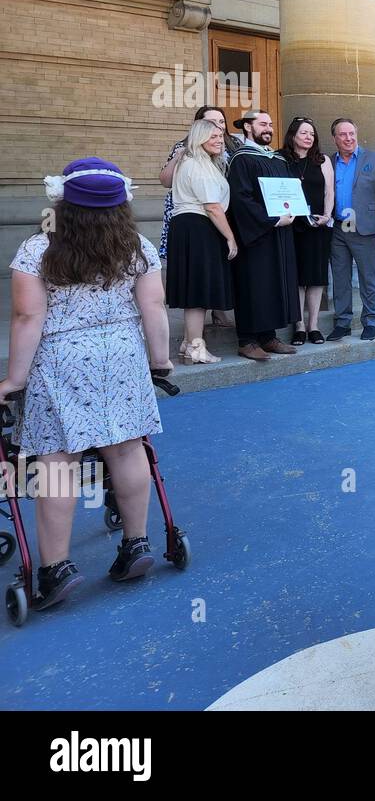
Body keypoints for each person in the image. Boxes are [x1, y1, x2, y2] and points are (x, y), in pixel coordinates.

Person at [0, 159, 172, 608]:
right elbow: (154, 307)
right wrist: (160, 359)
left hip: (62, 357)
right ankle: (136, 543)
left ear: (63, 201)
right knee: (128, 448)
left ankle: (56, 570)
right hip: (122, 353)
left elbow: (27, 317)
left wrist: (14, 378)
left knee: (58, 460)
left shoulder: (37, 250)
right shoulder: (138, 246)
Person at [226, 111, 300, 360]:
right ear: (248, 127)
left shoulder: (277, 158)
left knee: (274, 282)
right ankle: (247, 340)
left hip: (280, 232)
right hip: (256, 234)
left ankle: (268, 337)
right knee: (253, 283)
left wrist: (294, 210)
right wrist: (271, 220)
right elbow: (241, 198)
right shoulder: (241, 159)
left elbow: (290, 191)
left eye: (270, 124)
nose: (268, 128)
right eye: (262, 124)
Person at [166, 119, 235, 364]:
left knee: (195, 289)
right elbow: (213, 207)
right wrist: (230, 237)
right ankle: (196, 347)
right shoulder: (197, 164)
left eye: (220, 136)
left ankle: (189, 343)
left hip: (188, 228)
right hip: (198, 227)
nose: (219, 140)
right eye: (213, 136)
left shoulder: (195, 161)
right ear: (199, 138)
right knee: (197, 291)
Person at [327, 118, 375, 342]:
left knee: (368, 277)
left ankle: (371, 321)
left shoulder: (374, 159)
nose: (348, 138)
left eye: (351, 134)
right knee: (340, 278)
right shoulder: (328, 161)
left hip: (364, 227)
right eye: (343, 135)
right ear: (335, 138)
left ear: (357, 134)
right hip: (338, 228)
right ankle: (343, 322)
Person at [158, 105, 239, 262]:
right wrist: (178, 158)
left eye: (221, 121)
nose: (218, 125)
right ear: (199, 126)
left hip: (219, 213)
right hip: (200, 213)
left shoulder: (233, 145)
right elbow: (166, 181)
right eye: (211, 121)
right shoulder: (187, 152)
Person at [282, 117, 334, 345]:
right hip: (292, 226)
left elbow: (329, 192)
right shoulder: (281, 159)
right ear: (293, 136)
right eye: (304, 133)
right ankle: (299, 326)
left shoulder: (322, 160)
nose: (308, 137)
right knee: (297, 277)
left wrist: (328, 215)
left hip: (318, 225)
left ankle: (313, 325)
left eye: (312, 134)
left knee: (315, 277)